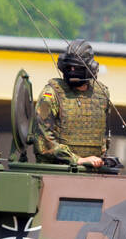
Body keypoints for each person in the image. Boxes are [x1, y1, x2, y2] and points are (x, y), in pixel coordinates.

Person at [31, 40, 109, 168]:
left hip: (91, 170)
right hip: (56, 171)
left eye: (77, 68)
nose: (72, 71)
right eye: (69, 67)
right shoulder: (50, 95)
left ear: (90, 68)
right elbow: (44, 142)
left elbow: (103, 138)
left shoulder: (102, 94)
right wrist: (77, 160)